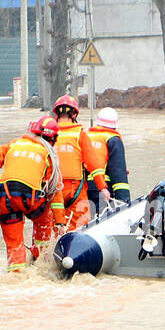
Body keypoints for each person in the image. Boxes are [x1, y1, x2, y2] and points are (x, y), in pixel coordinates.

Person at [0, 118, 64, 273]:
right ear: (53, 139)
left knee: (14, 242)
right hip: (31, 199)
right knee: (45, 218)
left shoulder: (13, 144)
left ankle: (16, 274)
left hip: (6, 198)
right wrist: (60, 223)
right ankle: (40, 259)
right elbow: (55, 193)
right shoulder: (48, 155)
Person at [50, 94, 109, 232]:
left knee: (50, 226)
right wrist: (102, 187)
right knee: (79, 226)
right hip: (75, 189)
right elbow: (93, 163)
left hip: (52, 189)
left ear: (56, 114)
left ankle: (43, 252)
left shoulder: (47, 134)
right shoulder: (79, 134)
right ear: (74, 114)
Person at [86, 107, 131, 216]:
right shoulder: (113, 140)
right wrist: (125, 202)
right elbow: (118, 174)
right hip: (103, 191)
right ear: (115, 125)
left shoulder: (86, 137)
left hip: (82, 190)